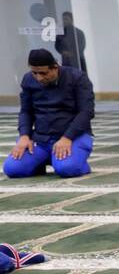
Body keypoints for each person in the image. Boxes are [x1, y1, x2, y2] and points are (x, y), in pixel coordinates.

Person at [4, 49, 95, 178]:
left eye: (43, 73)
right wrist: (24, 136)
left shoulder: (77, 78)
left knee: (67, 169)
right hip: (41, 138)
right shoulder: (28, 79)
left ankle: (75, 162)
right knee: (12, 169)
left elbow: (86, 112)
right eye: (34, 73)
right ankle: (43, 161)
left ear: (55, 67)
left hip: (73, 137)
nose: (39, 77)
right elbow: (26, 112)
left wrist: (67, 138)